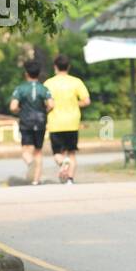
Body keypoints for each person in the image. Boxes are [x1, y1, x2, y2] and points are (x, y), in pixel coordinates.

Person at [44, 54, 90, 185]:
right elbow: (86, 101)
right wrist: (76, 104)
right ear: (68, 66)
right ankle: (70, 179)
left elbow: (46, 103)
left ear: (55, 67)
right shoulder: (76, 82)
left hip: (55, 123)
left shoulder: (49, 83)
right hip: (72, 122)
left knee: (58, 153)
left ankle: (62, 162)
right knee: (72, 153)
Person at [9, 60, 55, 185]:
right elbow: (51, 104)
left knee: (25, 150)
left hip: (26, 121)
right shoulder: (44, 88)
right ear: (38, 74)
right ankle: (36, 179)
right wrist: (45, 111)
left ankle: (31, 163)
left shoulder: (20, 89)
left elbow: (13, 106)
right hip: (40, 121)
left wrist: (20, 111)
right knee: (38, 151)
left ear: (26, 74)